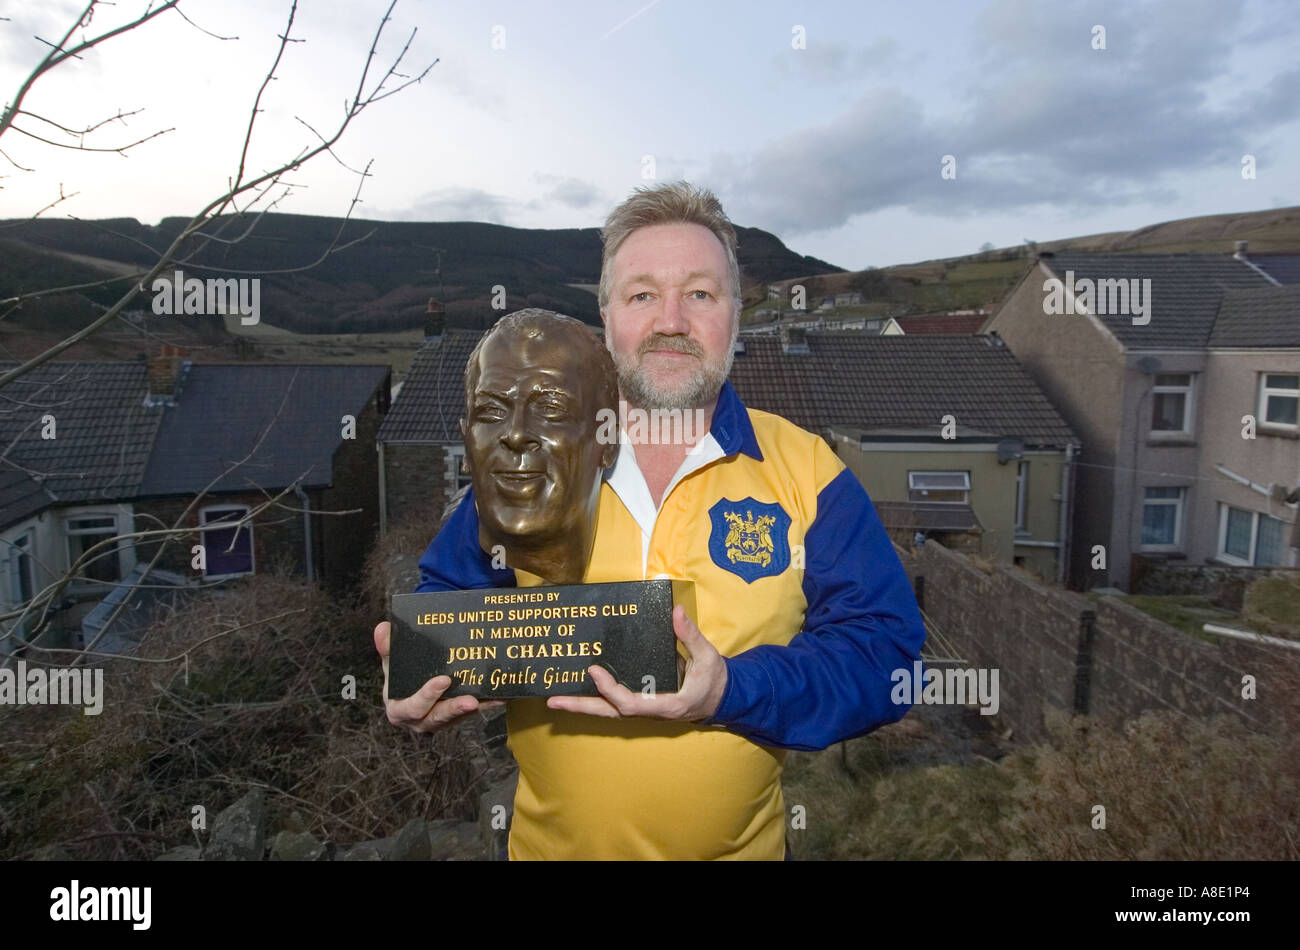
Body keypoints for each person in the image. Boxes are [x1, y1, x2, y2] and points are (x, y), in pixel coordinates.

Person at [373, 181, 926, 860]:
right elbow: (445, 597)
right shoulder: (532, 464)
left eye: (700, 293)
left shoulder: (809, 472)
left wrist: (731, 689)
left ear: (736, 315)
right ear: (607, 317)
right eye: (641, 295)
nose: (671, 320)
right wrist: (419, 671)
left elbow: (887, 657)